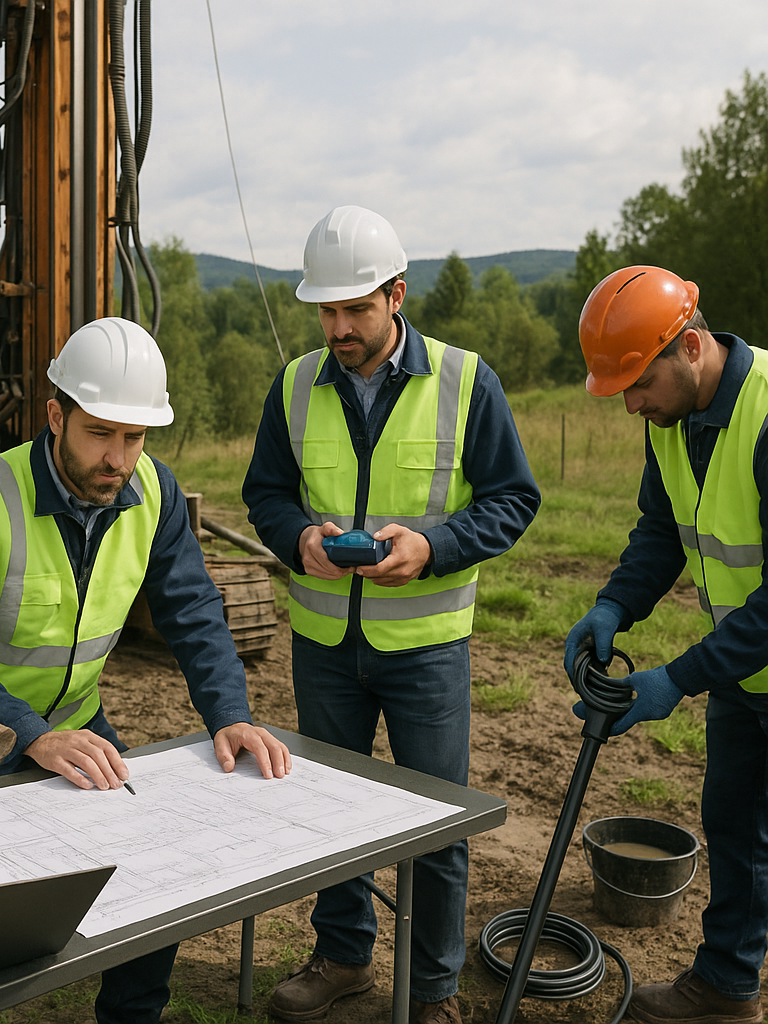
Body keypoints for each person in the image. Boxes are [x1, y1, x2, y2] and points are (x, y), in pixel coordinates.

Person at [0, 314, 292, 1024]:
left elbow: (193, 612)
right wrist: (30, 734)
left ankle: (132, 1014)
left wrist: (231, 714)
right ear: (56, 416)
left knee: (151, 879)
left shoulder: (154, 492)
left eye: (135, 437)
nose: (118, 458)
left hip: (80, 725)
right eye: (100, 433)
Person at [242, 206, 540, 1024]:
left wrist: (435, 546)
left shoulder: (464, 379)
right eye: (326, 311)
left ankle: (434, 990)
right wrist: (298, 534)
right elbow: (263, 493)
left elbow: (515, 499)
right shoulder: (297, 384)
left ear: (397, 296)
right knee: (331, 812)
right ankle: (343, 958)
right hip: (324, 645)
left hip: (426, 650)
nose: (337, 327)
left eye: (356, 309)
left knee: (434, 826)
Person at [565, 265, 768, 1024]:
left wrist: (676, 679)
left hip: (748, 652)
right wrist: (614, 605)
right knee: (735, 829)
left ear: (689, 346)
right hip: (747, 672)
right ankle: (726, 987)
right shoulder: (673, 422)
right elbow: (661, 531)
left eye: (638, 382)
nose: (630, 404)